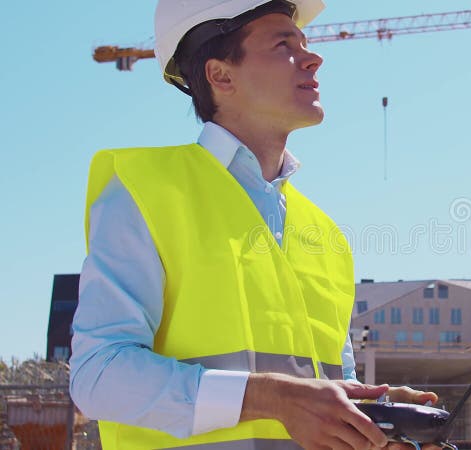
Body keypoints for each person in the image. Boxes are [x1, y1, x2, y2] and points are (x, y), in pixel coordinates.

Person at [69, 1, 437, 449]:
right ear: (221, 76)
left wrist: (375, 419)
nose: (312, 57)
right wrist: (273, 398)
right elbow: (99, 375)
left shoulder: (325, 236)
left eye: (304, 42)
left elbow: (324, 402)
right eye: (284, 44)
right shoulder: (146, 191)